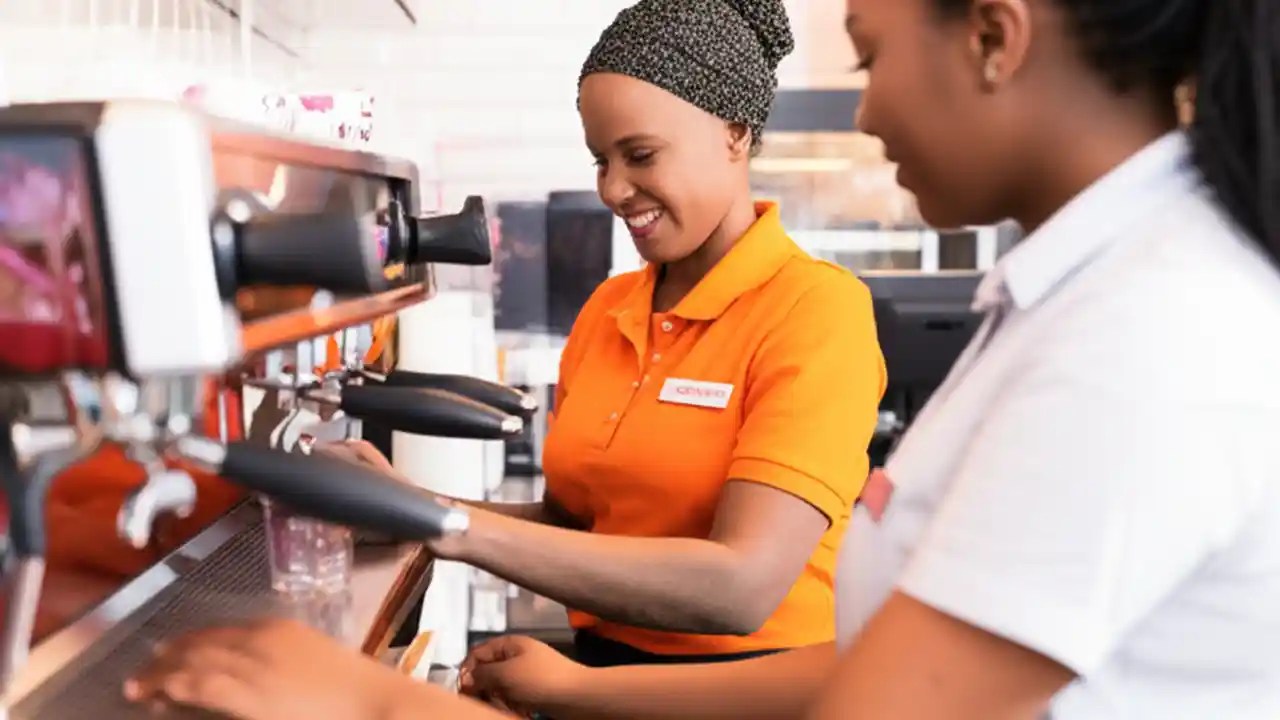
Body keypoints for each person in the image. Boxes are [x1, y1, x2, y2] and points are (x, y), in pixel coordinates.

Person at [124, 0, 1279, 717]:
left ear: (992, 33)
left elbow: (763, 606)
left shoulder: (1139, 339)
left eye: (870, 56)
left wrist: (372, 706)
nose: (865, 115)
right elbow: (872, 671)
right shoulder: (1080, 302)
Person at [123, 0, 885, 712]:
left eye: (640, 154)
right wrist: (404, 504)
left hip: (741, 697)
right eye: (600, 159)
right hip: (597, 668)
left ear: (736, 133)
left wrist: (448, 525)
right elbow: (575, 526)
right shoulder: (610, 309)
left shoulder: (816, 311)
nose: (614, 189)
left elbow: (740, 588)